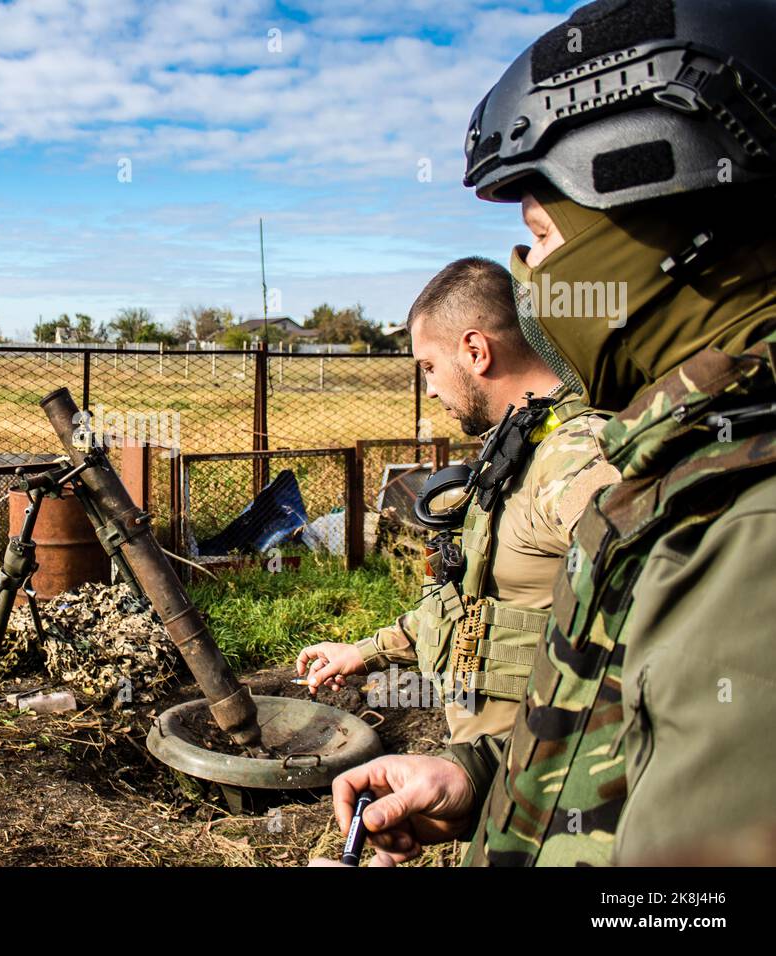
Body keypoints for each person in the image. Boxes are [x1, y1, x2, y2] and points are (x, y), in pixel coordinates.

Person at [326, 0, 776, 866]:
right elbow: (622, 736)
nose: (532, 274)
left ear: (658, 209)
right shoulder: (684, 462)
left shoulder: (736, 517)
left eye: (541, 235)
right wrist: (479, 776)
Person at [296, 257, 618, 744]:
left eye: (428, 366)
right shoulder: (517, 444)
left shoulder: (575, 458)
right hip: (494, 774)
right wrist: (366, 652)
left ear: (475, 351)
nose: (429, 388)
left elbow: (658, 625)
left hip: (545, 779)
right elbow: (473, 607)